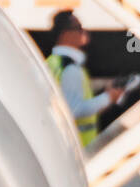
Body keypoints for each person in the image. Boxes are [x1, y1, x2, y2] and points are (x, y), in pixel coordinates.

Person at [46, 10, 122, 147]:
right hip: (79, 147)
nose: (83, 32)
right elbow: (75, 110)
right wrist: (108, 97)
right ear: (66, 35)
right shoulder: (70, 68)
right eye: (78, 28)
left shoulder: (52, 62)